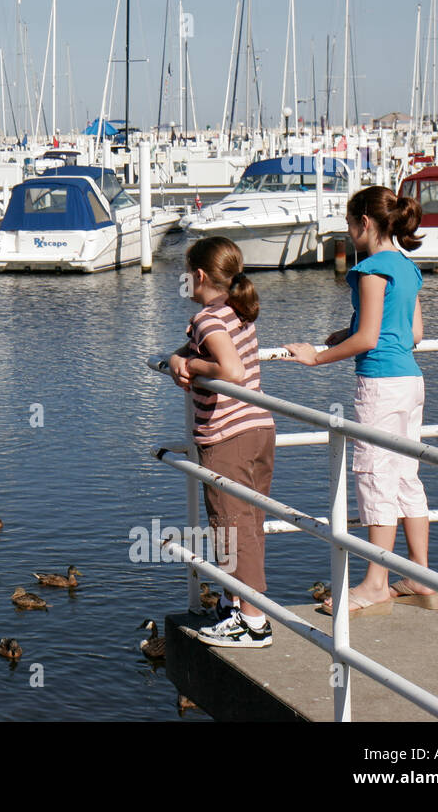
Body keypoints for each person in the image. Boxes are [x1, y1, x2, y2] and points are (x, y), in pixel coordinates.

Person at [284, 186, 435, 616]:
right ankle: (421, 577)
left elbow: (369, 338)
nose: (350, 236)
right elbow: (414, 334)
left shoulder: (370, 269)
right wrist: (347, 333)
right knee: (406, 475)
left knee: (373, 475)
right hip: (410, 380)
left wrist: (318, 357)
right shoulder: (407, 266)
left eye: (350, 227)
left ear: (364, 223)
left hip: (380, 386)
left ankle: (374, 583)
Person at [169, 237, 276, 648]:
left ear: (198, 275)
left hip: (226, 436)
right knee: (250, 523)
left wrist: (192, 364)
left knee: (231, 526)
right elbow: (214, 347)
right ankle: (236, 603)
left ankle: (253, 621)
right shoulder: (238, 310)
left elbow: (229, 369)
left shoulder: (207, 320)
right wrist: (182, 356)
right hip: (259, 430)